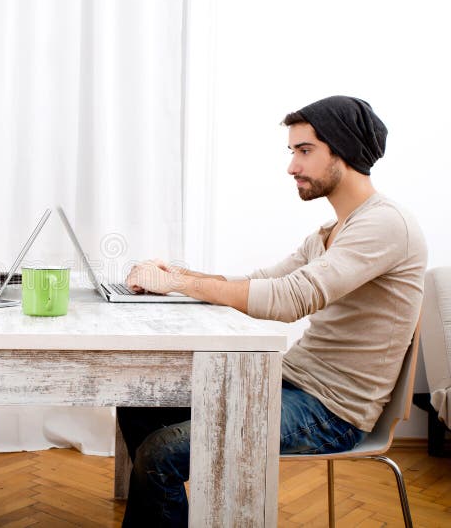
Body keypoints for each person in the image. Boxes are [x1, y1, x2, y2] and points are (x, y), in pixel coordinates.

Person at [117, 96, 427, 526]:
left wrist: (182, 284)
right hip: (293, 382)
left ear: (344, 150)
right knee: (139, 405)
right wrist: (175, 274)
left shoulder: (386, 224)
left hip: (332, 412)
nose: (292, 167)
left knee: (163, 452)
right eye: (293, 152)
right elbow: (264, 280)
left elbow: (288, 299)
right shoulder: (329, 232)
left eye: (304, 151)